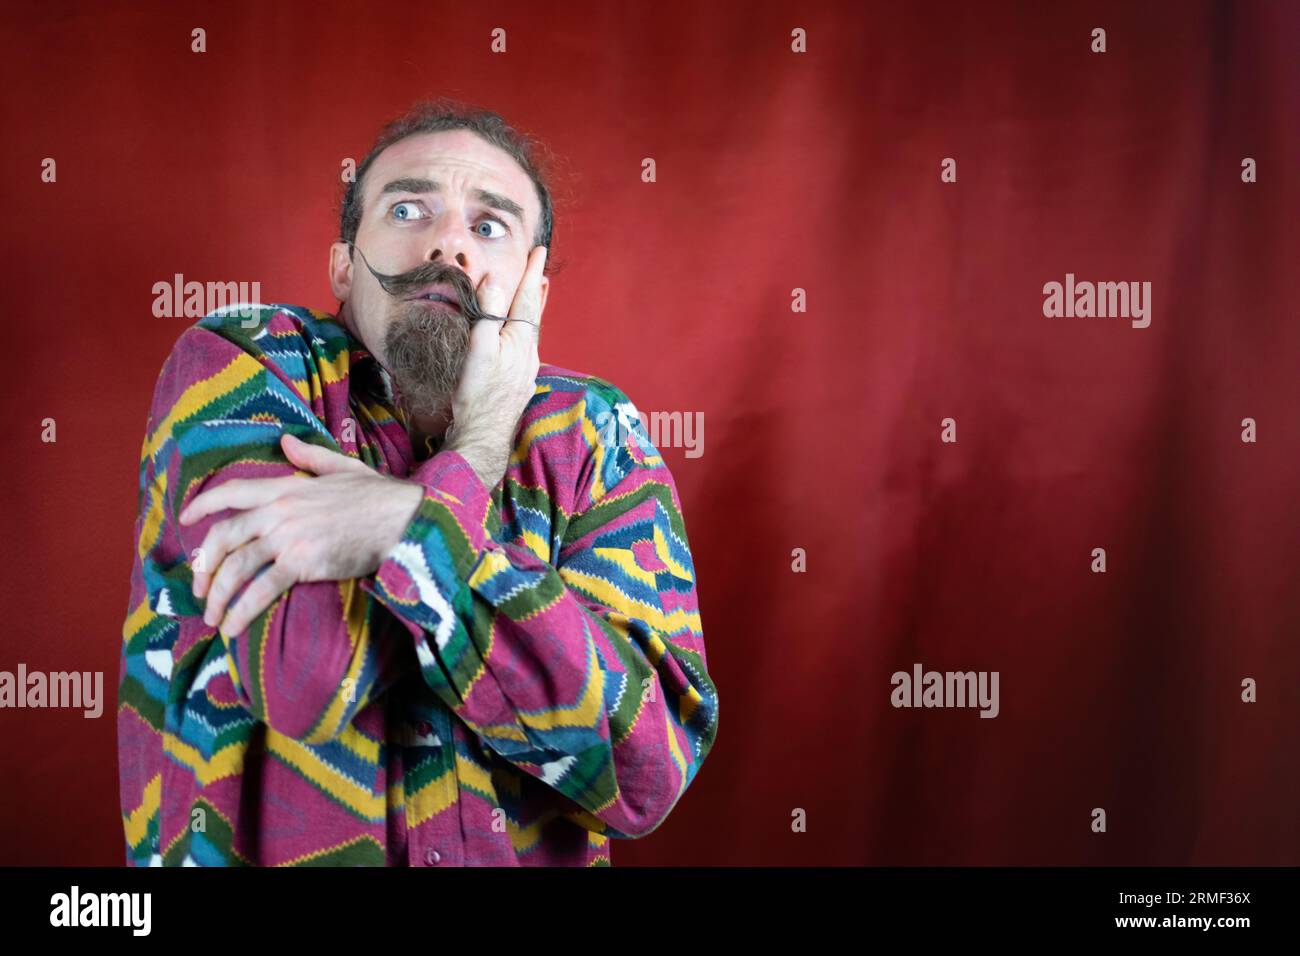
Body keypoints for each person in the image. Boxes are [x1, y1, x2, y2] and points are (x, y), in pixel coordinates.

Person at [117, 99, 719, 866]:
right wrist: (472, 462)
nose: (446, 245)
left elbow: (645, 774)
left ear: (534, 286)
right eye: (408, 209)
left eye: (489, 225)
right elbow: (307, 678)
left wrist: (401, 524)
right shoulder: (243, 360)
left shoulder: (595, 432)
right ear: (343, 261)